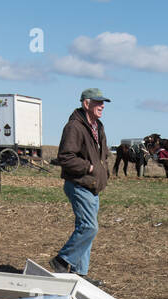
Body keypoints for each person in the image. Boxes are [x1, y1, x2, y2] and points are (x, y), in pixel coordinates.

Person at [52, 88, 110, 279]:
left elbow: (103, 155)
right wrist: (90, 168)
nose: (102, 106)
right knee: (89, 227)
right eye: (98, 102)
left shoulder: (98, 126)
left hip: (93, 186)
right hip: (79, 184)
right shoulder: (74, 127)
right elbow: (65, 157)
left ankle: (80, 275)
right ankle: (62, 260)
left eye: (103, 103)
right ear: (86, 103)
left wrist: (104, 172)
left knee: (86, 231)